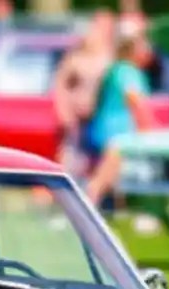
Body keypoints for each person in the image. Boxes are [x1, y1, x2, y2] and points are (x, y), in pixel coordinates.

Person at [83, 33, 156, 205]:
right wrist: (151, 127)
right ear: (133, 51)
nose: (150, 53)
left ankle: (114, 214)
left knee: (116, 180)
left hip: (110, 131)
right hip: (117, 134)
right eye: (145, 49)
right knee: (102, 181)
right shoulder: (127, 71)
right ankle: (84, 211)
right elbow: (134, 100)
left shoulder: (119, 69)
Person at [51, 10, 114, 178]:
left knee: (96, 160)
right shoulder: (78, 56)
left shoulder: (110, 55)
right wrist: (63, 111)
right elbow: (60, 84)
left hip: (99, 117)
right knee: (72, 158)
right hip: (76, 116)